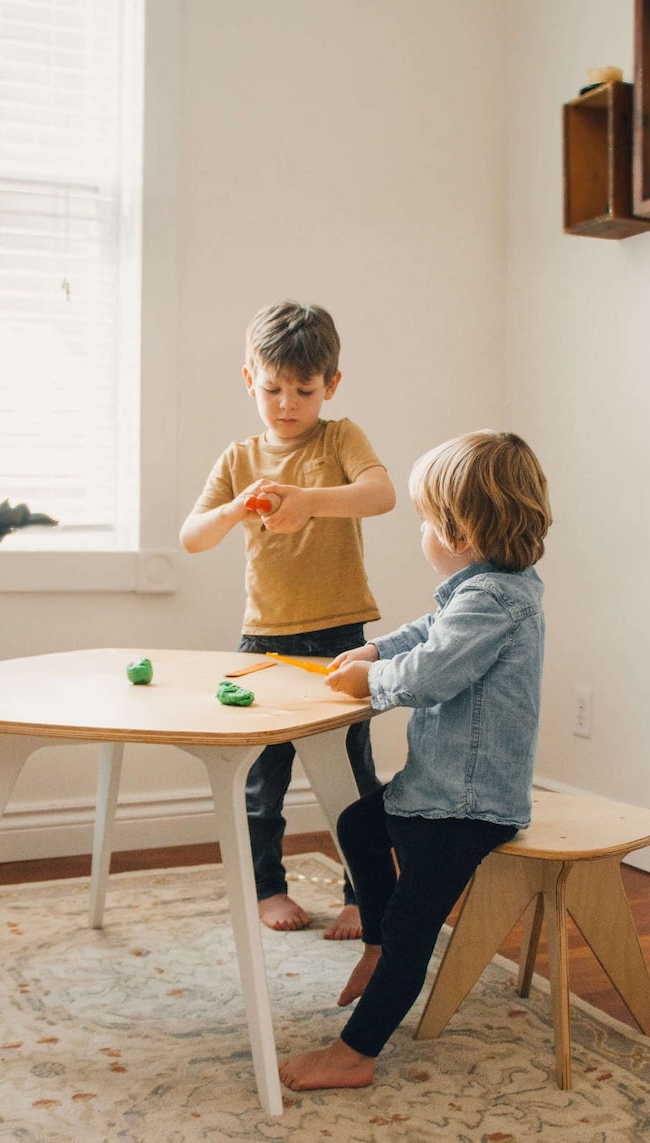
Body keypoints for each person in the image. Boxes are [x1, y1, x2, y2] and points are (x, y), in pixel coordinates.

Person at [278, 429, 552, 1091]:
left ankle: (357, 1051)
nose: (421, 532)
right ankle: (375, 943)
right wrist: (373, 650)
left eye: (426, 520)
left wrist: (370, 683)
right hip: (438, 788)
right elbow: (428, 631)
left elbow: (430, 673)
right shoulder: (487, 587)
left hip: (465, 805)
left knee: (413, 924)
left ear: (459, 534)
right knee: (357, 826)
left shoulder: (491, 601)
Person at [179, 300, 396, 938]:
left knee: (353, 775)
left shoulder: (341, 438)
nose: (287, 404)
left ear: (330, 385)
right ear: (250, 380)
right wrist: (234, 511)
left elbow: (380, 494)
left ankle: (363, 893)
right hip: (264, 639)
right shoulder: (240, 458)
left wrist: (309, 501)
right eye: (272, 389)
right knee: (261, 778)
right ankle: (267, 888)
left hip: (339, 637)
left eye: (303, 390)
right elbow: (193, 536)